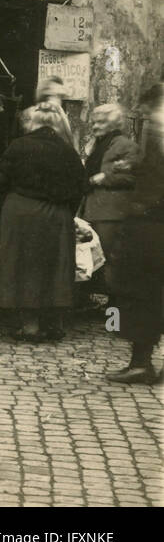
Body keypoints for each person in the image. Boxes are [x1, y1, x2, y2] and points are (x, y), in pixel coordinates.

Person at [0, 103, 86, 341]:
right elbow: (80, 188)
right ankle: (54, 323)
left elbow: (0, 180)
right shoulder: (68, 151)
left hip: (21, 212)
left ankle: (30, 325)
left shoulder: (19, 146)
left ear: (33, 123)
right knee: (54, 268)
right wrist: (65, 212)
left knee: (23, 266)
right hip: (57, 215)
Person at [105, 82, 164, 384]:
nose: (142, 113)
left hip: (151, 226)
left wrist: (140, 208)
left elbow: (156, 177)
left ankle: (141, 363)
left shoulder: (159, 130)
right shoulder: (155, 131)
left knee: (141, 293)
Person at [79, 102, 136, 291]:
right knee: (93, 256)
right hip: (92, 208)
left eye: (101, 123)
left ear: (114, 124)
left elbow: (133, 176)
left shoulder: (125, 146)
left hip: (111, 212)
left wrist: (105, 178)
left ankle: (113, 303)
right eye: (94, 123)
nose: (95, 127)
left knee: (109, 256)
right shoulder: (97, 145)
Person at [35, 76, 76, 147]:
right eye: (54, 96)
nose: (58, 100)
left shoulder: (59, 110)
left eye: (59, 96)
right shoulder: (45, 112)